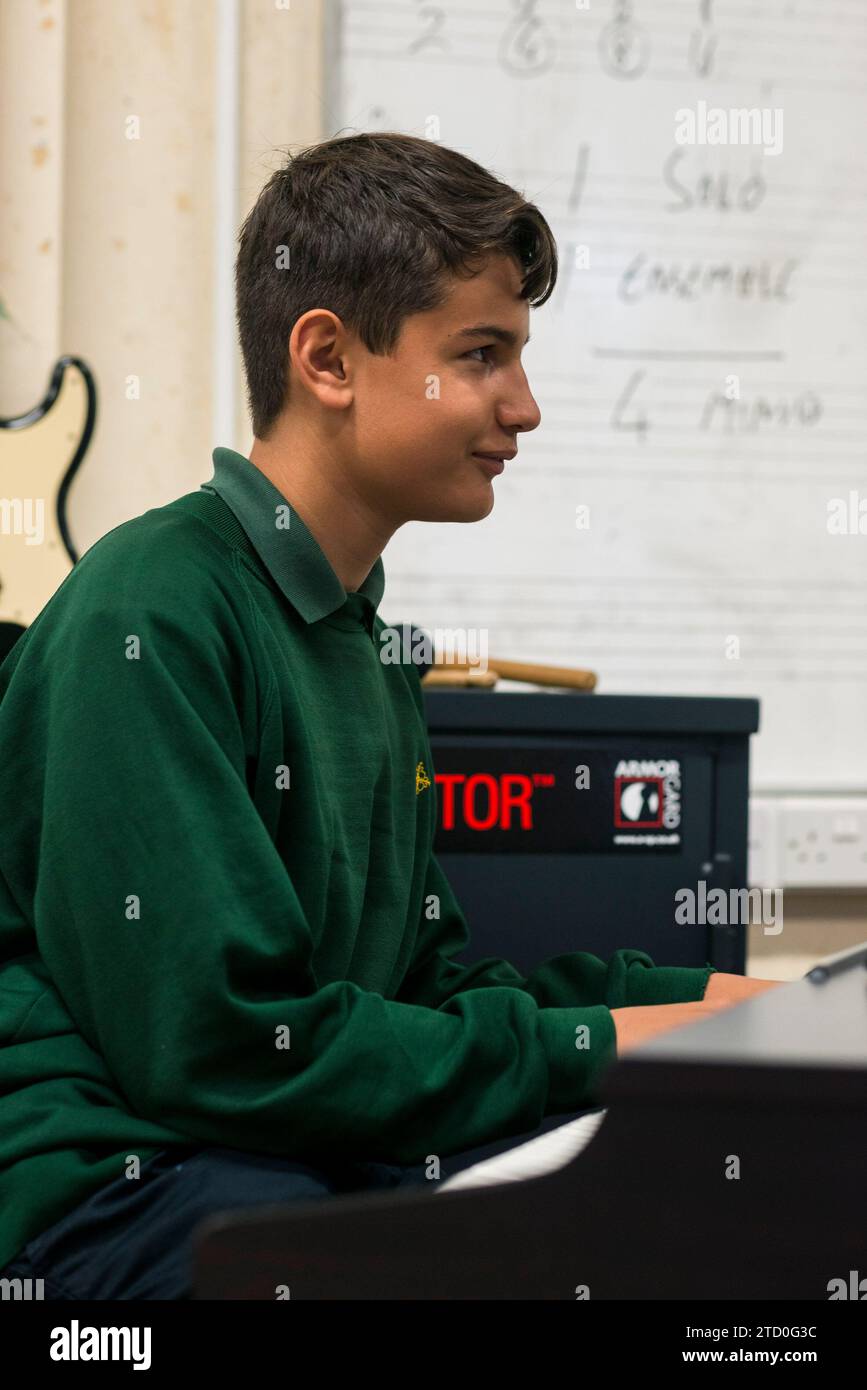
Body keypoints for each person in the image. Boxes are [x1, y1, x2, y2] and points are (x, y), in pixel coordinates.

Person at [0, 132, 781, 1300]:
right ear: (328, 357)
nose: (524, 405)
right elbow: (222, 1048)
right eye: (481, 355)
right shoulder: (154, 609)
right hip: (113, 1195)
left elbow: (419, 1001)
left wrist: (705, 1008)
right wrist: (613, 1043)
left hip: (257, 1149)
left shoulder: (359, 641)